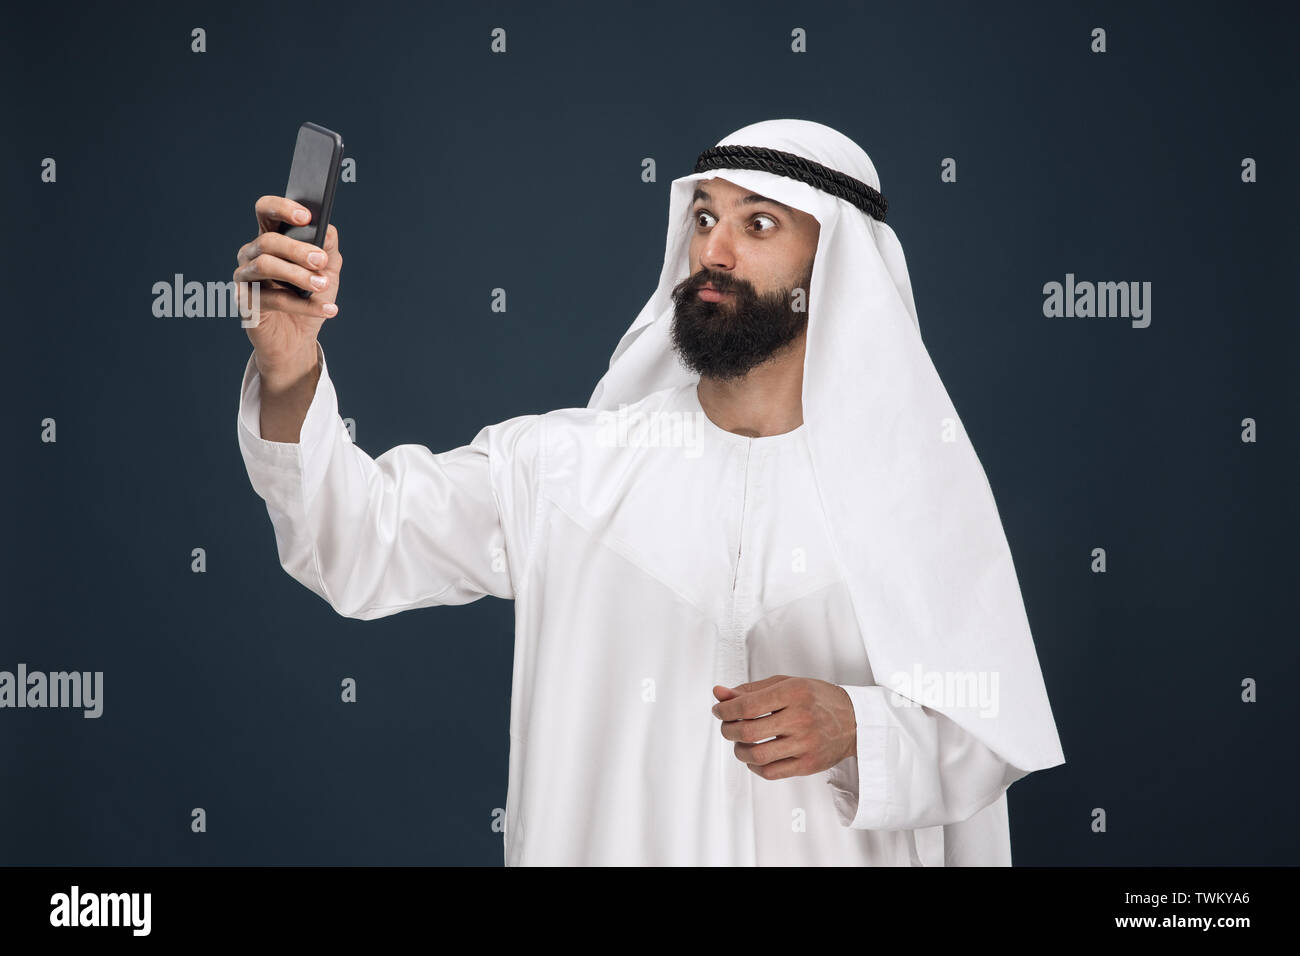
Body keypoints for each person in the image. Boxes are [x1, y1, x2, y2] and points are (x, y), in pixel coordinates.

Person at [233, 118, 1065, 866]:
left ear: (836, 266)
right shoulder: (568, 469)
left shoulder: (912, 494)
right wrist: (289, 364)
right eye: (704, 218)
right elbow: (355, 540)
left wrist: (860, 729)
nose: (715, 252)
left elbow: (990, 730)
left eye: (758, 223)